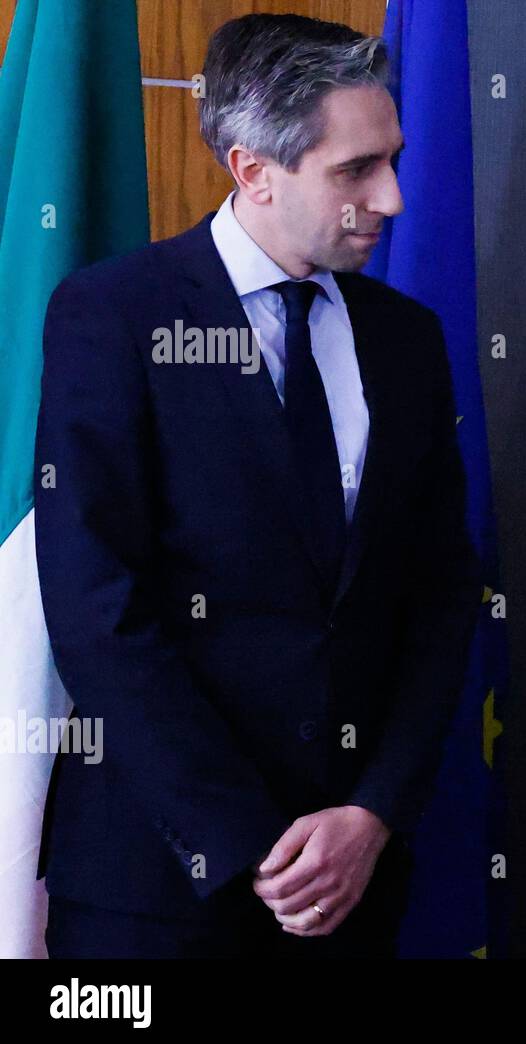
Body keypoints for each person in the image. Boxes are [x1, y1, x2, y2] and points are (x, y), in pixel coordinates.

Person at [34, 14, 480, 958]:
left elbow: (441, 597)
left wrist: (371, 815)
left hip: (357, 885)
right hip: (155, 891)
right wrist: (250, 846)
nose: (393, 198)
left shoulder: (407, 339)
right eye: (356, 170)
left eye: (393, 159)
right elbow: (96, 608)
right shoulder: (113, 316)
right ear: (252, 170)